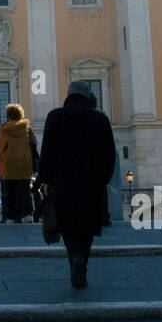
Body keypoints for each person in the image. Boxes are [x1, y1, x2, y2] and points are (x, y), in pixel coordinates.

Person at [37, 80, 116, 289]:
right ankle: (82, 258)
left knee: (68, 225)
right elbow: (110, 154)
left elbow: (47, 152)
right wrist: (104, 179)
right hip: (92, 183)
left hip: (63, 182)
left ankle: (75, 257)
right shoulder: (101, 119)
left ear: (69, 94)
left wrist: (43, 179)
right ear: (88, 96)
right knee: (88, 226)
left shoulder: (55, 117)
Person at [0, 103, 38, 222]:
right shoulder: (27, 128)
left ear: (8, 115)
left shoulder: (4, 129)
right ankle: (28, 214)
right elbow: (34, 143)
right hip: (25, 163)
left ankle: (11, 217)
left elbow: (0, 146)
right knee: (25, 190)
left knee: (10, 191)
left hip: (9, 163)